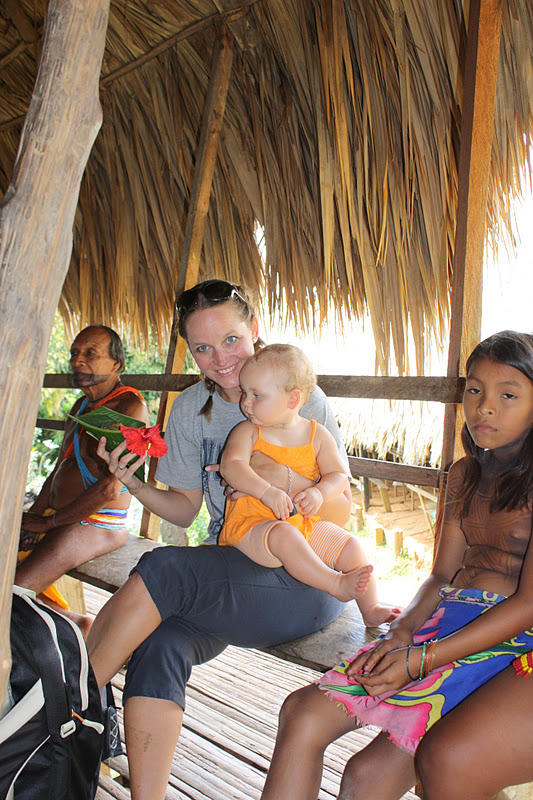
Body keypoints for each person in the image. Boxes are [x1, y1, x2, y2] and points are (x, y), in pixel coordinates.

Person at [86, 280, 358, 800]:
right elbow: (185, 508)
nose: (222, 359)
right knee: (160, 646)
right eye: (203, 348)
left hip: (308, 577)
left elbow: (342, 509)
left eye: (231, 339)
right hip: (233, 569)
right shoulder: (191, 409)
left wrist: (269, 474)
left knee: (164, 568)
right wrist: (135, 483)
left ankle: (66, 707)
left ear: (254, 330)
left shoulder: (301, 399)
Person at [260, 329, 533, 800]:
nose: (485, 406)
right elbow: (442, 576)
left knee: (377, 775)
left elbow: (530, 604)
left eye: (508, 394)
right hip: (443, 622)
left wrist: (420, 660)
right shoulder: (466, 474)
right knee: (302, 713)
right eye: (474, 389)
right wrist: (404, 632)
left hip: (509, 640)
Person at [219, 343, 399, 623]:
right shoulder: (248, 431)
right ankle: (336, 584)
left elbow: (339, 476)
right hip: (251, 527)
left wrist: (318, 492)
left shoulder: (317, 434)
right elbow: (232, 466)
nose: (245, 403)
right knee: (284, 535)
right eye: (245, 393)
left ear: (293, 400)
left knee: (351, 546)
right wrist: (265, 491)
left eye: (257, 395)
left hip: (301, 525)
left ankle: (371, 609)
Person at [17, 325, 148, 632]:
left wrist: (50, 523)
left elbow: (110, 488)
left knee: (15, 588)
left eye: (90, 353)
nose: (78, 360)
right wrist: (35, 516)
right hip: (61, 517)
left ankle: (79, 629)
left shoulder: (130, 407)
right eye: (75, 353)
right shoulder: (82, 406)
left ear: (116, 364)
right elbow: (60, 468)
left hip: (98, 522)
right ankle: (76, 625)